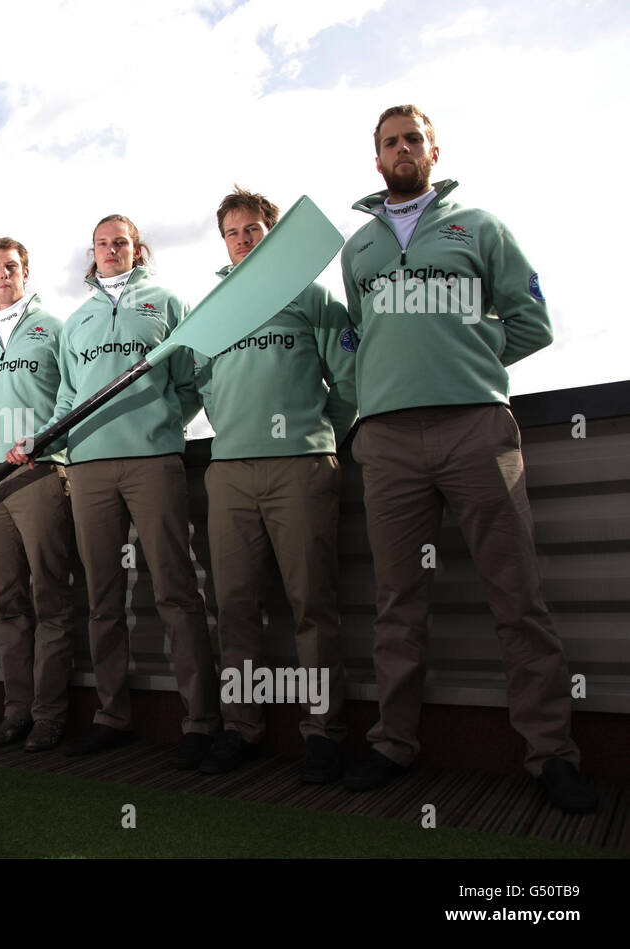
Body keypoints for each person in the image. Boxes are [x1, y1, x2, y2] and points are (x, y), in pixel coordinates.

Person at [339, 104, 596, 813]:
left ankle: (551, 754)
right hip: (386, 439)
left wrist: (467, 366)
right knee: (398, 602)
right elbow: (362, 340)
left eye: (413, 139)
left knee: (517, 594)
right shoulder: (356, 248)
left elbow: (532, 321)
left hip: (476, 428)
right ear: (376, 157)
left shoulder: (479, 227)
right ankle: (393, 741)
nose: (402, 149)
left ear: (434, 149)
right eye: (390, 141)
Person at [8, 214, 218, 764]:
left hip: (154, 462)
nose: (110, 250)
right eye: (101, 244)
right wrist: (44, 441)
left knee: (176, 589)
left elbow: (191, 383)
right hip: (90, 469)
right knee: (103, 599)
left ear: (137, 249)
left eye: (119, 242)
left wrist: (164, 425)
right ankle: (111, 715)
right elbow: (67, 400)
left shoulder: (169, 303)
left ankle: (199, 720)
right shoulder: (76, 320)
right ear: (92, 253)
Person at [194, 187, 356, 781]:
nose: (244, 239)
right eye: (234, 232)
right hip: (231, 472)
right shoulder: (212, 306)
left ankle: (322, 733)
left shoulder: (311, 296)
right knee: (234, 606)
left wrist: (316, 440)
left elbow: (350, 379)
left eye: (255, 229)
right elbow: (204, 385)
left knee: (312, 605)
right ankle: (241, 726)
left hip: (302, 467)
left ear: (273, 232)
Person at [0, 239, 76, 753]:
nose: (4, 274)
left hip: (40, 469)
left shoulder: (54, 326)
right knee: (6, 601)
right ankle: (15, 713)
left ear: (26, 272)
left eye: (12, 266)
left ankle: (50, 715)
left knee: (50, 597)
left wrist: (47, 441)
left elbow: (71, 396)